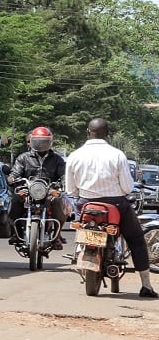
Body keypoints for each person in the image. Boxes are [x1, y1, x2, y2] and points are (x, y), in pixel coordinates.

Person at [65, 117, 157, 298]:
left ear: (87, 132)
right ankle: (146, 285)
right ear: (108, 133)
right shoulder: (117, 155)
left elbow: (70, 189)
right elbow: (128, 188)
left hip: (86, 204)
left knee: (79, 227)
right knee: (137, 239)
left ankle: (79, 252)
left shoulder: (75, 155)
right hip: (115, 204)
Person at [7, 126, 67, 251]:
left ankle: (56, 236)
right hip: (29, 189)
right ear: (32, 141)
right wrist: (13, 178)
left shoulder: (57, 159)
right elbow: (15, 172)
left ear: (50, 142)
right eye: (38, 141)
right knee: (15, 199)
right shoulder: (23, 158)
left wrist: (64, 182)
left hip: (49, 190)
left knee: (58, 201)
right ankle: (16, 233)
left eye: (44, 141)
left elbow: (63, 174)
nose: (41, 144)